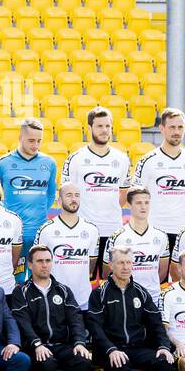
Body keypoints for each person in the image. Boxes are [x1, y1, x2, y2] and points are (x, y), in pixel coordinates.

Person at [85, 245, 176, 371]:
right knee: (120, 364)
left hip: (136, 348)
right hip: (109, 350)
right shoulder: (99, 294)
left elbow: (156, 323)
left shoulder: (141, 292)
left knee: (165, 361)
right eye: (120, 263)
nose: (125, 267)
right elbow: (95, 328)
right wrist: (111, 349)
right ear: (110, 265)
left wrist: (164, 347)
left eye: (128, 262)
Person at [7, 245, 92, 371]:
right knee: (47, 362)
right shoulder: (21, 292)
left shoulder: (63, 290)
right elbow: (23, 323)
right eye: (39, 261)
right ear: (30, 264)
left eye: (48, 261)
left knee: (83, 361)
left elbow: (76, 318)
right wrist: (37, 344)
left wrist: (79, 342)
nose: (44, 265)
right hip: (35, 347)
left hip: (62, 345)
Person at [62, 106, 131, 275]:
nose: (104, 130)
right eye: (99, 126)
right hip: (84, 231)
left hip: (113, 229)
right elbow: (66, 194)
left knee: (112, 283)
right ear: (89, 128)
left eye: (107, 126)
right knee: (85, 279)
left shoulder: (121, 159)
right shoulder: (75, 159)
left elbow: (123, 194)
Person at [132, 108, 185, 253]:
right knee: (158, 275)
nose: (177, 131)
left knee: (184, 275)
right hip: (155, 229)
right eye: (172, 127)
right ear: (162, 129)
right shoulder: (147, 160)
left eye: (180, 127)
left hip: (184, 230)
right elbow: (135, 196)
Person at [0, 117, 58, 271]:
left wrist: (39, 212)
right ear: (20, 138)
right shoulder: (3, 163)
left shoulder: (49, 163)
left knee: (38, 276)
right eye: (31, 140)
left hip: (39, 230)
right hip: (12, 232)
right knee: (13, 275)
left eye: (39, 141)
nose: (35, 145)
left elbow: (50, 195)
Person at [33, 182, 99, 310]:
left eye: (77, 195)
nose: (74, 199)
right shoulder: (46, 230)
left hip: (82, 299)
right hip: (53, 298)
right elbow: (37, 266)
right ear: (59, 201)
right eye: (69, 195)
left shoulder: (92, 229)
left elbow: (91, 265)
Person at [104, 187, 170, 301]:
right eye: (138, 203)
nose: (143, 207)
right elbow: (107, 272)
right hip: (125, 298)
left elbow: (163, 271)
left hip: (153, 298)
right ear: (129, 205)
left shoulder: (161, 236)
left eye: (146, 203)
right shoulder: (117, 236)